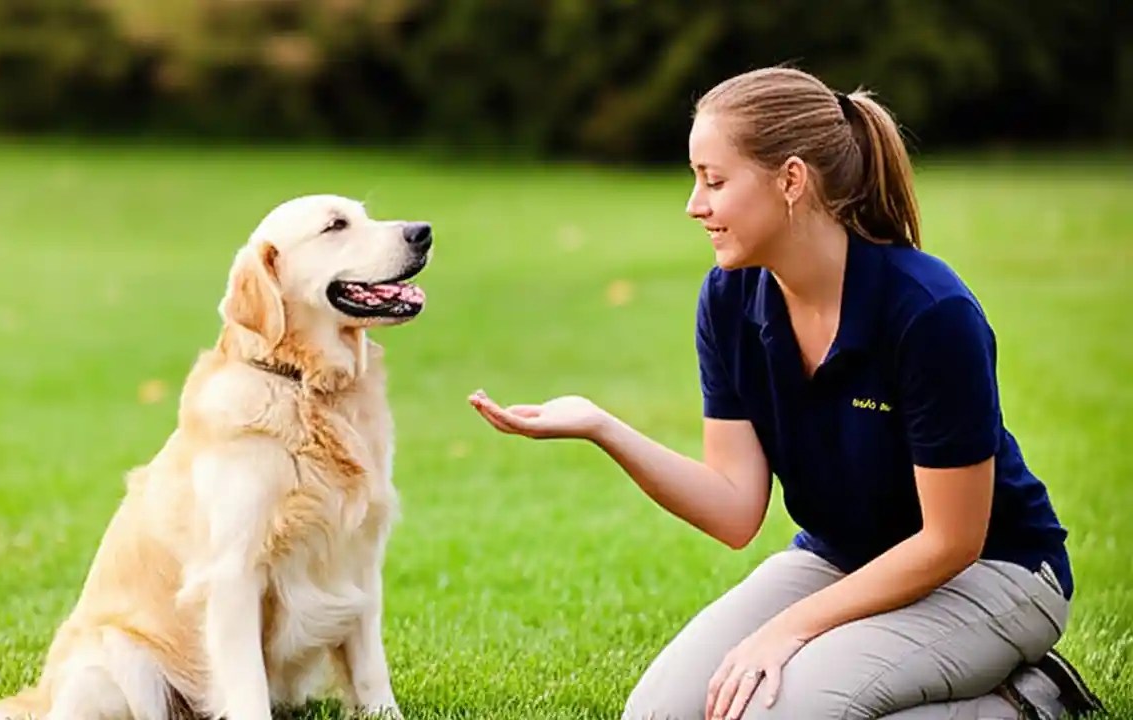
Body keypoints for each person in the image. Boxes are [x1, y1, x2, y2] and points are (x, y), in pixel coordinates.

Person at [467, 67, 1105, 720]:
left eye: (714, 180)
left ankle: (1028, 703)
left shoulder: (929, 312)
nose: (694, 204)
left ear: (791, 180)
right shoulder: (728, 300)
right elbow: (734, 510)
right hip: (844, 561)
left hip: (993, 573)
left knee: (776, 713)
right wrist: (602, 427)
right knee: (659, 715)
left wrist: (788, 629)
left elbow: (952, 540)